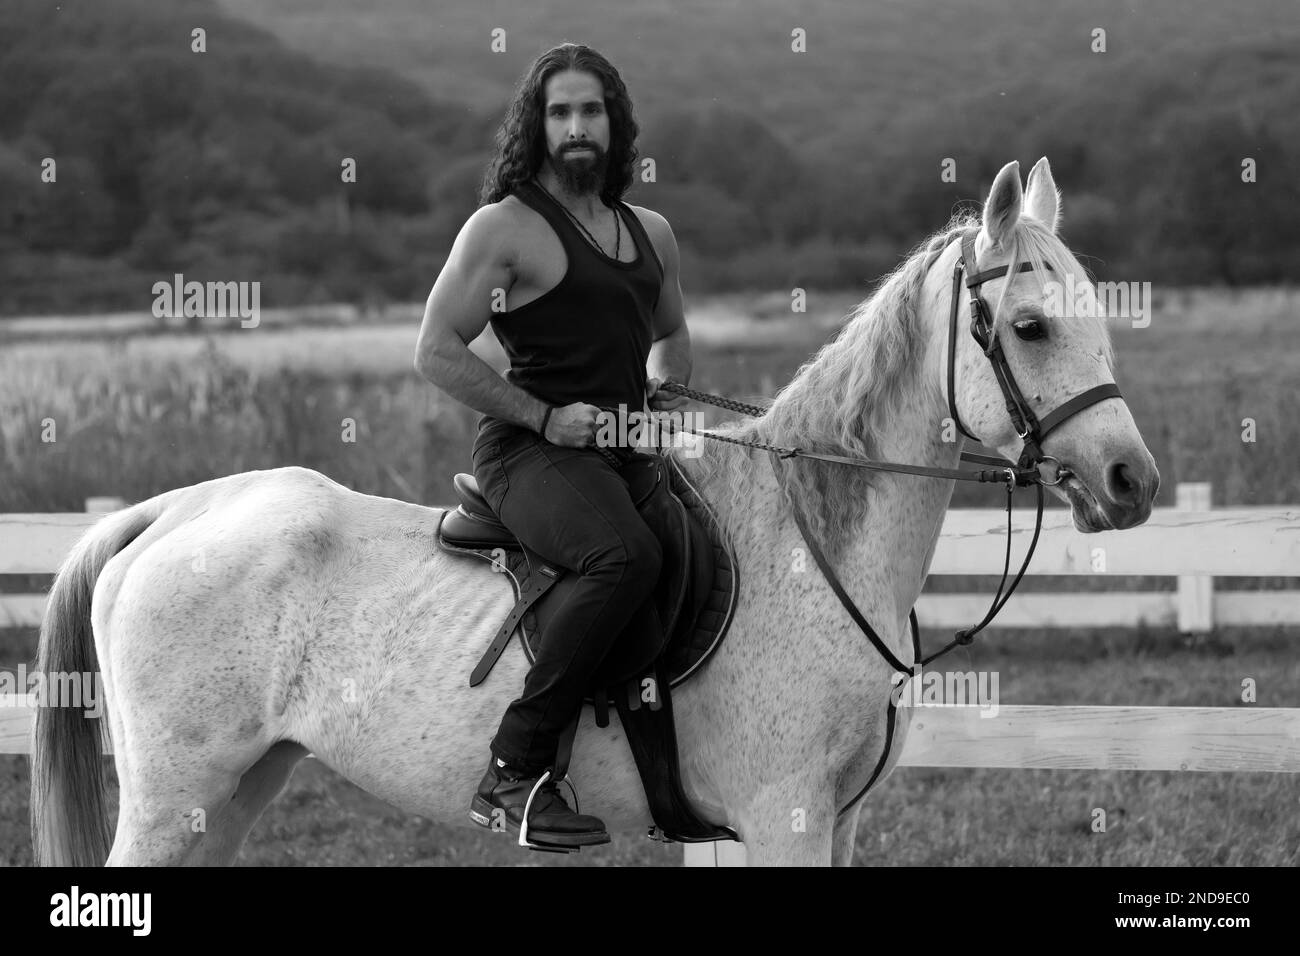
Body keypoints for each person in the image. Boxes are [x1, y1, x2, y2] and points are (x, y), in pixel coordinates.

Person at [413, 42, 693, 849]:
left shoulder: (651, 233)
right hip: (528, 452)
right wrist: (541, 417)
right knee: (624, 557)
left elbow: (671, 337)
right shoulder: (504, 229)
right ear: (536, 126)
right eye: (560, 111)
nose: (577, 125)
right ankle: (514, 770)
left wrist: (663, 395)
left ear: (615, 124)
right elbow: (436, 350)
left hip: (624, 448)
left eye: (591, 110)